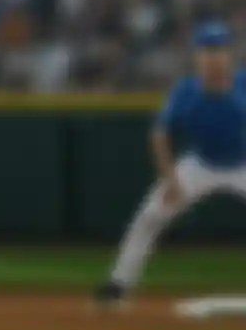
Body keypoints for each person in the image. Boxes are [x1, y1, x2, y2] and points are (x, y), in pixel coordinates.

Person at [94, 21, 246, 309]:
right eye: (207, 50)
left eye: (219, 49)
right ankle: (118, 285)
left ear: (229, 54)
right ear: (197, 56)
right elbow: (160, 134)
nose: (214, 56)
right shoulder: (185, 91)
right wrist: (171, 179)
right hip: (201, 164)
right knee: (150, 216)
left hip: (243, 163)